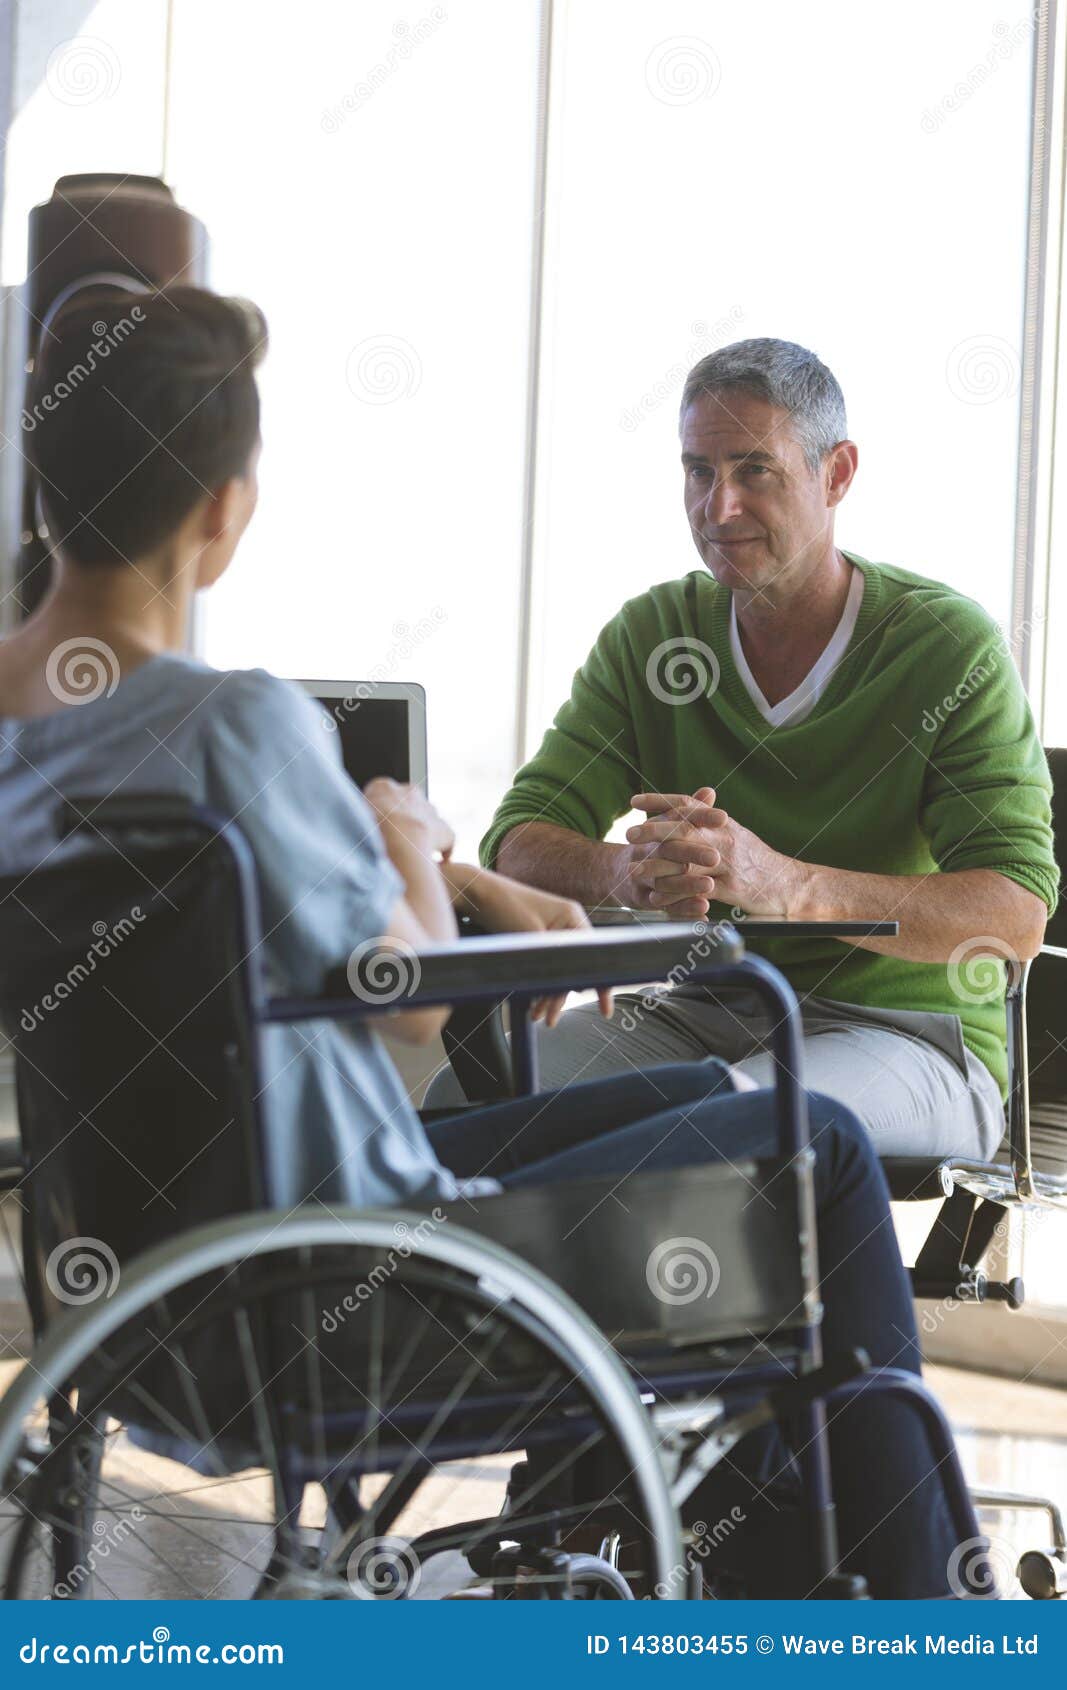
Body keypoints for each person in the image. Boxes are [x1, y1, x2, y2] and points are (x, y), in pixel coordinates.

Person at [0, 290, 979, 1597]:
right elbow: (404, 998)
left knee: (705, 1097)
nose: (719, 502)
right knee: (815, 1148)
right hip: (353, 1273)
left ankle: (685, 1544)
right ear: (223, 512)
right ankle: (910, 1602)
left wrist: (451, 870)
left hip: (145, 1282)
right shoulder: (238, 726)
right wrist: (410, 839)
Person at [469, 337, 1058, 1160]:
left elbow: (1013, 915)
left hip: (912, 1040)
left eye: (754, 471)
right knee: (477, 1085)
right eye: (698, 472)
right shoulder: (653, 635)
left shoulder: (945, 646)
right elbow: (516, 841)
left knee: (719, 1123)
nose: (718, 509)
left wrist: (780, 883)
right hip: (705, 1010)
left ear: (835, 474)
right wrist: (628, 875)